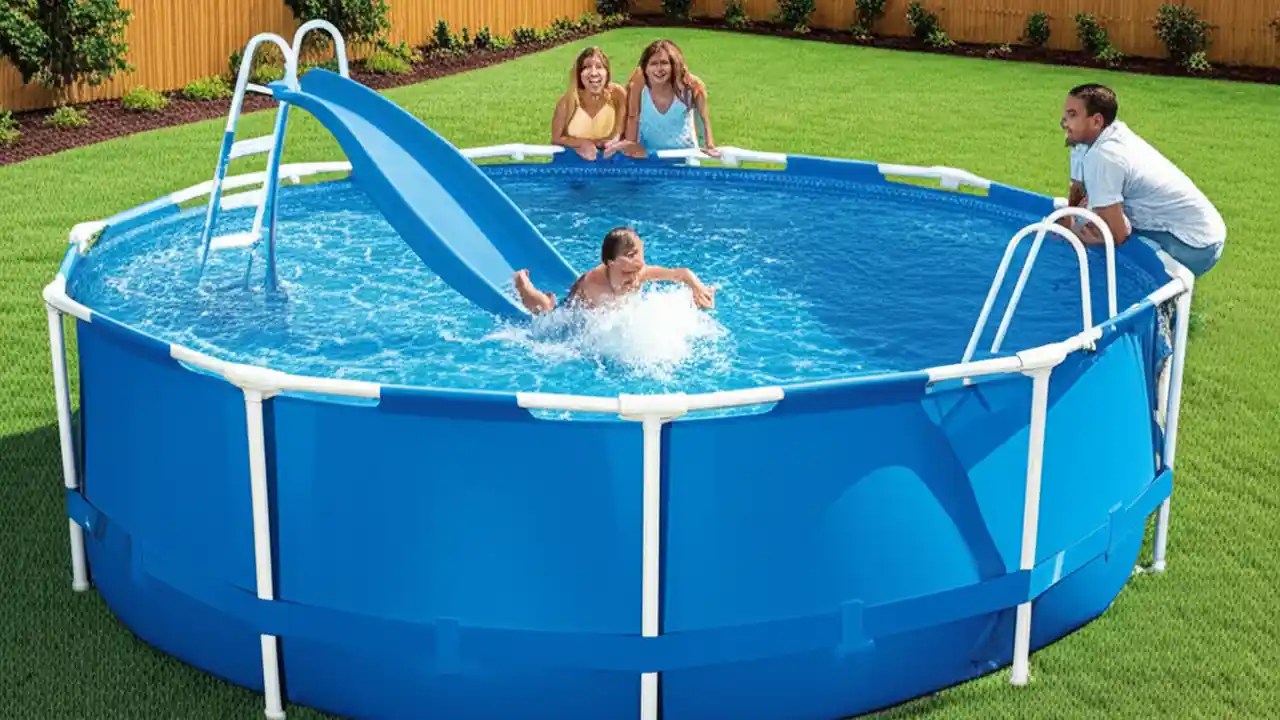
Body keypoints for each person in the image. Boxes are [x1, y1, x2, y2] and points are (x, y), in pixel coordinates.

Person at [1059, 83, 1226, 276]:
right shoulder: (1106, 134)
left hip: (1194, 245)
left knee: (1104, 251)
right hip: (1206, 230)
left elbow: (1117, 235)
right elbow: (1078, 190)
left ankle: (1168, 294)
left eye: (1072, 115)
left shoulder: (1104, 156)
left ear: (1096, 121)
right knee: (1090, 225)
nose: (1064, 121)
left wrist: (1100, 236)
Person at [513, 227, 716, 315]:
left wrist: (699, 289)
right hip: (571, 315)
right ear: (610, 264)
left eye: (637, 271)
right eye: (627, 273)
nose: (634, 279)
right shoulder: (593, 282)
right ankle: (523, 284)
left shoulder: (639, 271)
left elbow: (681, 274)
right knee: (545, 311)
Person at [620, 40, 719, 157]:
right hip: (648, 156)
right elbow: (632, 117)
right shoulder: (638, 85)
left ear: (674, 65)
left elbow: (703, 120)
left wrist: (709, 145)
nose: (659, 69)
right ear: (645, 68)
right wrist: (631, 146)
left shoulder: (691, 87)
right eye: (653, 64)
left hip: (684, 157)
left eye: (664, 63)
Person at [550, 46, 633, 161]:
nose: (594, 73)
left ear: (607, 72)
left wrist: (613, 142)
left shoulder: (618, 95)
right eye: (587, 67)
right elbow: (556, 138)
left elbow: (622, 131)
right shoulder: (568, 100)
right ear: (579, 74)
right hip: (573, 164)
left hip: (610, 163)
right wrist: (582, 143)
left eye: (599, 67)